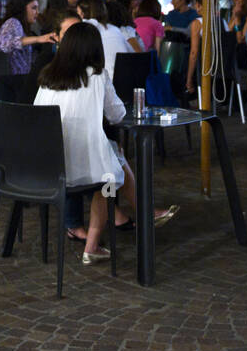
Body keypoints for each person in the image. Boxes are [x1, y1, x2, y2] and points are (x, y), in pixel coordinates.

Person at [34, 22, 178, 263]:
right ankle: (96, 243)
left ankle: (145, 212)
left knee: (112, 157)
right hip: (78, 166)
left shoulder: (47, 77)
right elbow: (117, 115)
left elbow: (38, 115)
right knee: (108, 174)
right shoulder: (97, 76)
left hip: (46, 164)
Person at [0, 0, 57, 75]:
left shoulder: (21, 25)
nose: (37, 12)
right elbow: (4, 45)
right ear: (22, 9)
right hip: (13, 79)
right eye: (34, 8)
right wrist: (37, 39)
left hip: (20, 77)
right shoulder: (13, 22)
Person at [76, 0, 133, 81]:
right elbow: (132, 53)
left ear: (82, 14)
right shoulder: (115, 29)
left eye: (77, 12)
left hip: (103, 81)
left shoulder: (85, 29)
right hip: (125, 80)